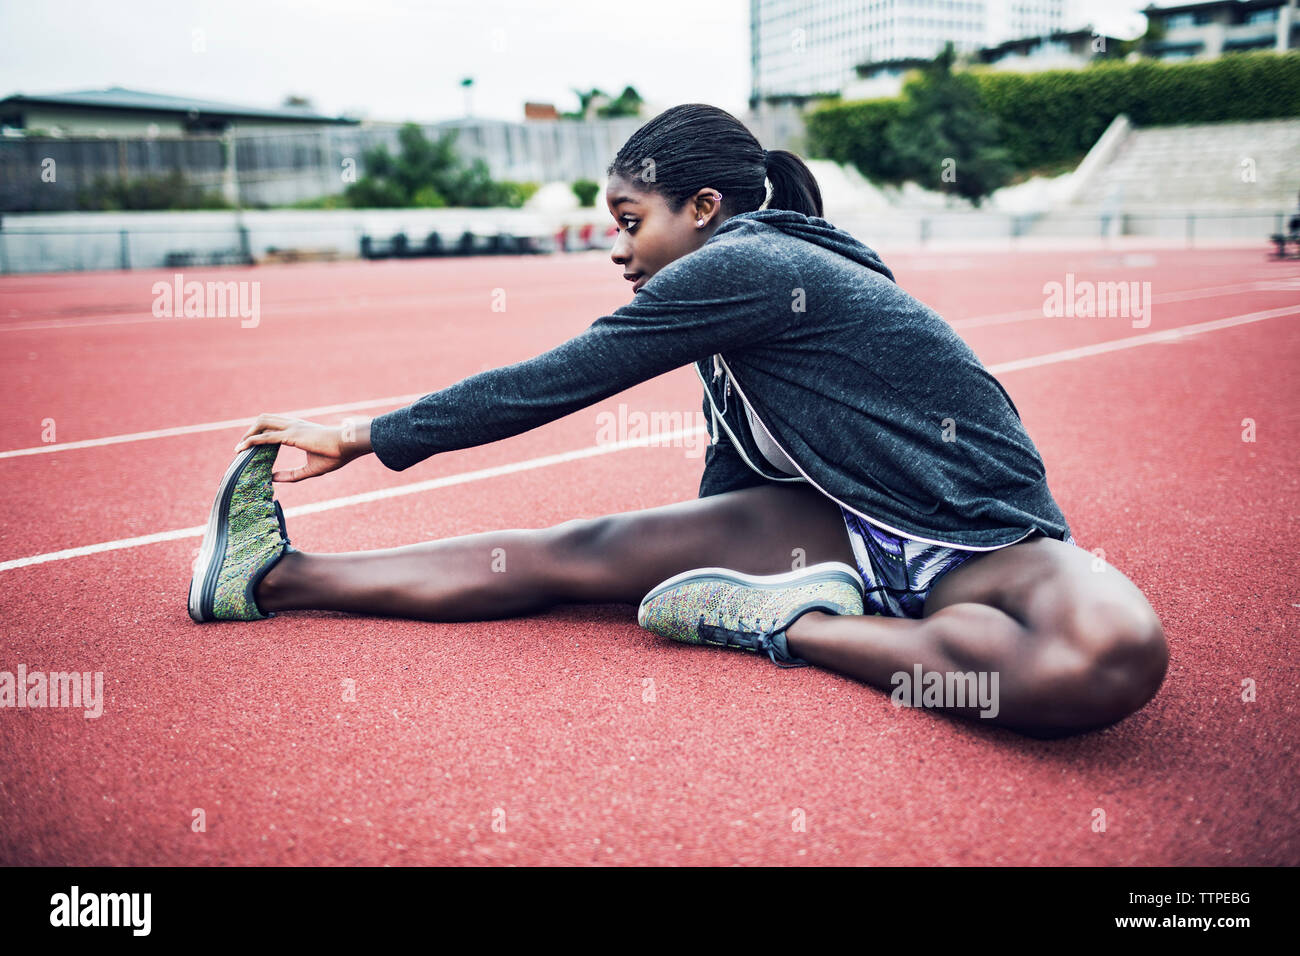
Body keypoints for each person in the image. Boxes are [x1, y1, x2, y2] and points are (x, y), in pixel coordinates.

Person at [191, 104, 1168, 740]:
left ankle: (801, 623)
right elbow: (734, 456)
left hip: (976, 533)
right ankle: (270, 576)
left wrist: (364, 433)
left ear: (702, 207)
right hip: (823, 523)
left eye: (630, 219)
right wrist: (688, 545)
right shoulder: (727, 285)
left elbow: (556, 378)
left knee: (1109, 658)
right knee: (566, 554)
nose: (617, 246)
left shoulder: (752, 264)